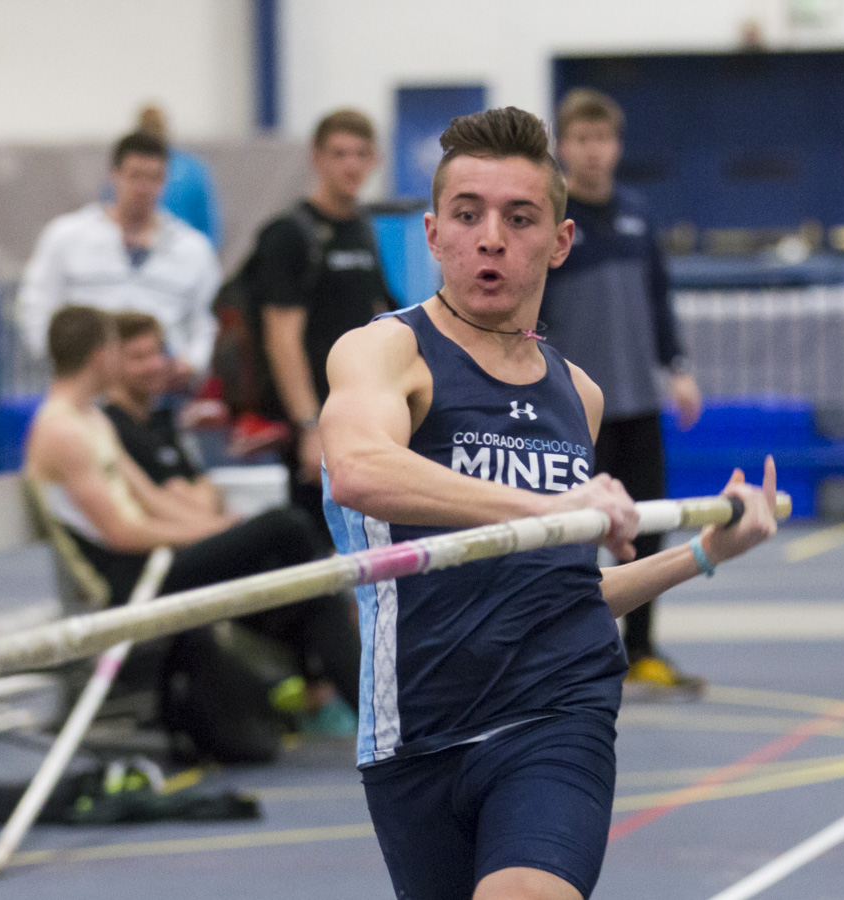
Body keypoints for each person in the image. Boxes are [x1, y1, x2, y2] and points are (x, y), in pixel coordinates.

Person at [319, 107, 779, 900]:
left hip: (556, 715)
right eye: (468, 215)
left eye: (520, 218)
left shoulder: (579, 396)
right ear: (433, 233)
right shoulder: (385, 352)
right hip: (416, 734)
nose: (491, 238)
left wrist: (702, 554)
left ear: (560, 241)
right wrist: (542, 510)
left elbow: (565, 594)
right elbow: (359, 470)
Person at [24, 307, 360, 735]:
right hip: (133, 580)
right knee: (287, 527)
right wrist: (218, 532)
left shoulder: (89, 419)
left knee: (312, 596)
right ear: (100, 355)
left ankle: (373, 715)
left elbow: (149, 499)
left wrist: (222, 530)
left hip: (158, 560)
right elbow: (121, 534)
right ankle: (330, 688)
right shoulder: (61, 431)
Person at [543, 88, 707, 693]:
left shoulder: (638, 216)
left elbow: (659, 299)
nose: (593, 151)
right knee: (577, 534)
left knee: (647, 526)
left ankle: (639, 649)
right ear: (563, 145)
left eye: (603, 139)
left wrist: (677, 368)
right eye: (581, 139)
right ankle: (577, 651)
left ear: (617, 146)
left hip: (639, 402)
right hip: (576, 413)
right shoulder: (549, 219)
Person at [254, 109, 396, 533]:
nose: (351, 165)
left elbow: (378, 318)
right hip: (311, 421)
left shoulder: (363, 227)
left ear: (376, 160)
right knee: (314, 541)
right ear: (316, 159)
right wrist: (308, 426)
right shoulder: (289, 234)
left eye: (361, 154)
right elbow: (282, 339)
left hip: (359, 417)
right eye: (339, 154)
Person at [20, 131, 221, 387]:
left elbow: (205, 321)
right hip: (86, 386)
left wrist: (193, 362)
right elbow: (37, 306)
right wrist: (62, 365)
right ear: (114, 175)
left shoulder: (193, 250)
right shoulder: (65, 237)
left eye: (154, 178)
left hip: (162, 391)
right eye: (135, 176)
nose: (143, 188)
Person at [102, 311, 224, 515]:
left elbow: (204, 484)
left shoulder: (162, 419)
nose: (154, 365)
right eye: (138, 357)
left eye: (157, 353)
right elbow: (148, 503)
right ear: (109, 362)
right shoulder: (107, 426)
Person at [134, 104, 223, 250]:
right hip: (138, 248)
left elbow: (209, 223)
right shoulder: (127, 171)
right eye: (147, 126)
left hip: (182, 250)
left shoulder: (192, 170)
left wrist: (203, 252)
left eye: (156, 125)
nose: (152, 131)